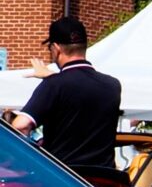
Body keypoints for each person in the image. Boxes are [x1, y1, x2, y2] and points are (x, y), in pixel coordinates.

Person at [3, 18, 122, 171]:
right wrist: (52, 77)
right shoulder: (113, 86)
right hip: (104, 178)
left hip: (66, 177)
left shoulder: (55, 85)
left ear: (56, 48)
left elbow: (21, 125)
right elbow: (80, 90)